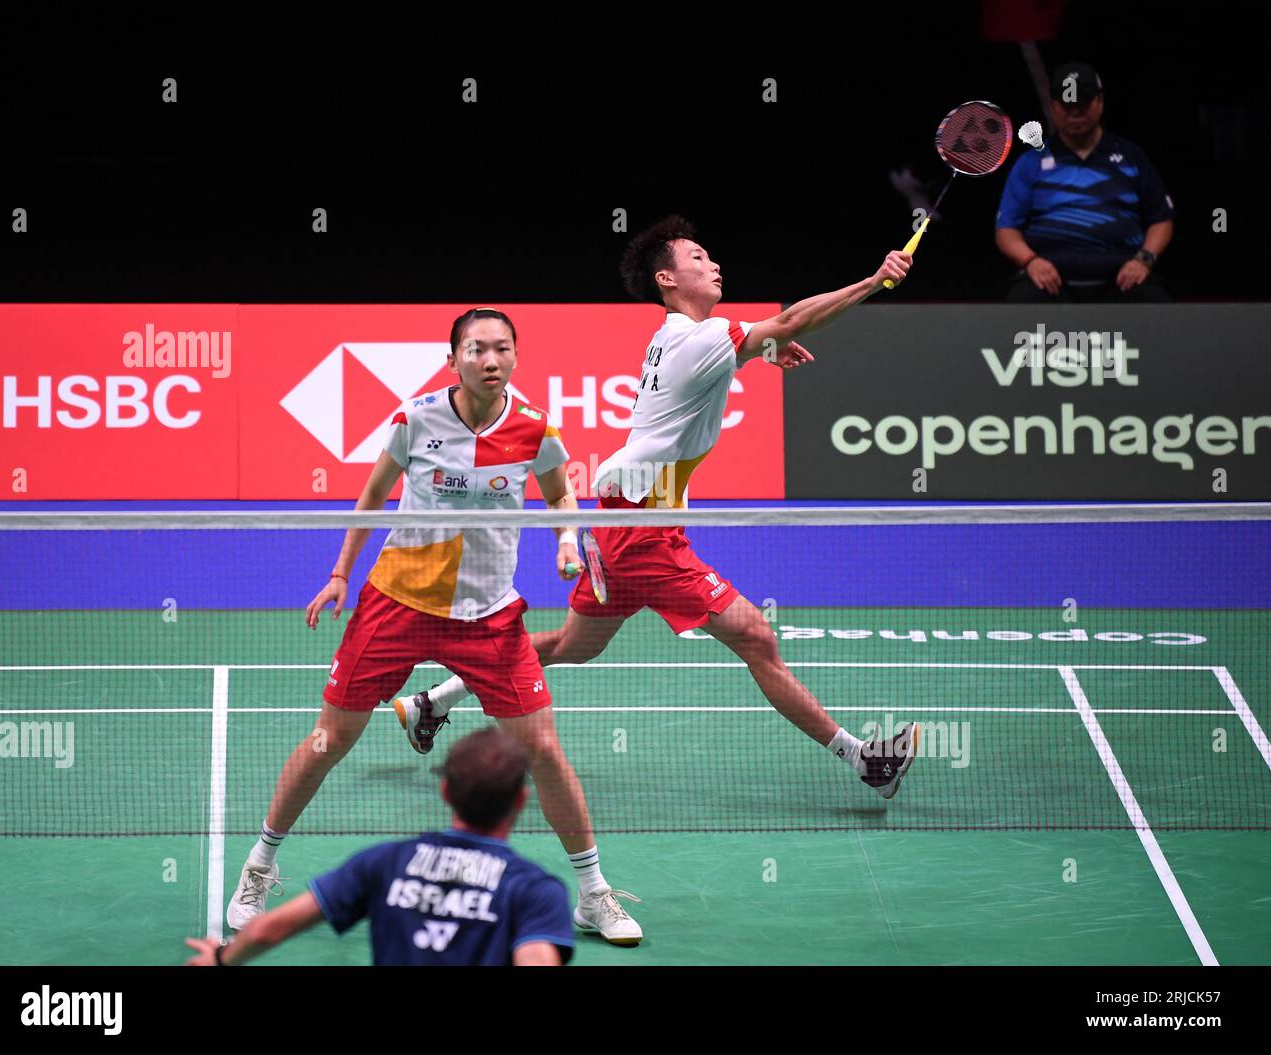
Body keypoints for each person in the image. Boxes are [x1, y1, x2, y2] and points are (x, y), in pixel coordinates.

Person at [404, 217, 922, 805]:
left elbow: (753, 346)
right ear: (668, 278)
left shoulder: (684, 338)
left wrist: (761, 350)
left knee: (577, 646)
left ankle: (434, 700)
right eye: (699, 257)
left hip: (628, 511)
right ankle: (866, 760)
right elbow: (792, 319)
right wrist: (874, 281)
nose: (715, 264)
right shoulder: (696, 337)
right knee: (754, 636)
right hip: (643, 525)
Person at [224, 308, 642, 947]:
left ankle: (592, 894)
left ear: (515, 356)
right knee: (328, 741)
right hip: (397, 603)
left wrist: (565, 539)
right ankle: (260, 865)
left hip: (488, 615)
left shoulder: (535, 428)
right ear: (454, 359)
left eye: (502, 348)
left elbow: (561, 496)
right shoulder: (414, 419)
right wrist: (339, 573)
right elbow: (372, 496)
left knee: (544, 752)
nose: (491, 360)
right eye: (477, 349)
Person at [187, 728, 574, 966]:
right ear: (521, 801)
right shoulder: (536, 890)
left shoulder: (386, 863)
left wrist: (221, 959)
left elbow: (268, 930)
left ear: (445, 792)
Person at [996, 60, 1175, 302]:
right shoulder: (1031, 162)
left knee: (1155, 301)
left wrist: (1143, 260)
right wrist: (1031, 261)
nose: (1076, 111)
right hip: (1050, 275)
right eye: (1067, 104)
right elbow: (1006, 230)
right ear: (1052, 106)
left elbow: (1161, 220)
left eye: (1083, 102)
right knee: (1022, 298)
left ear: (1100, 102)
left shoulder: (1132, 157)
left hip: (1121, 274)